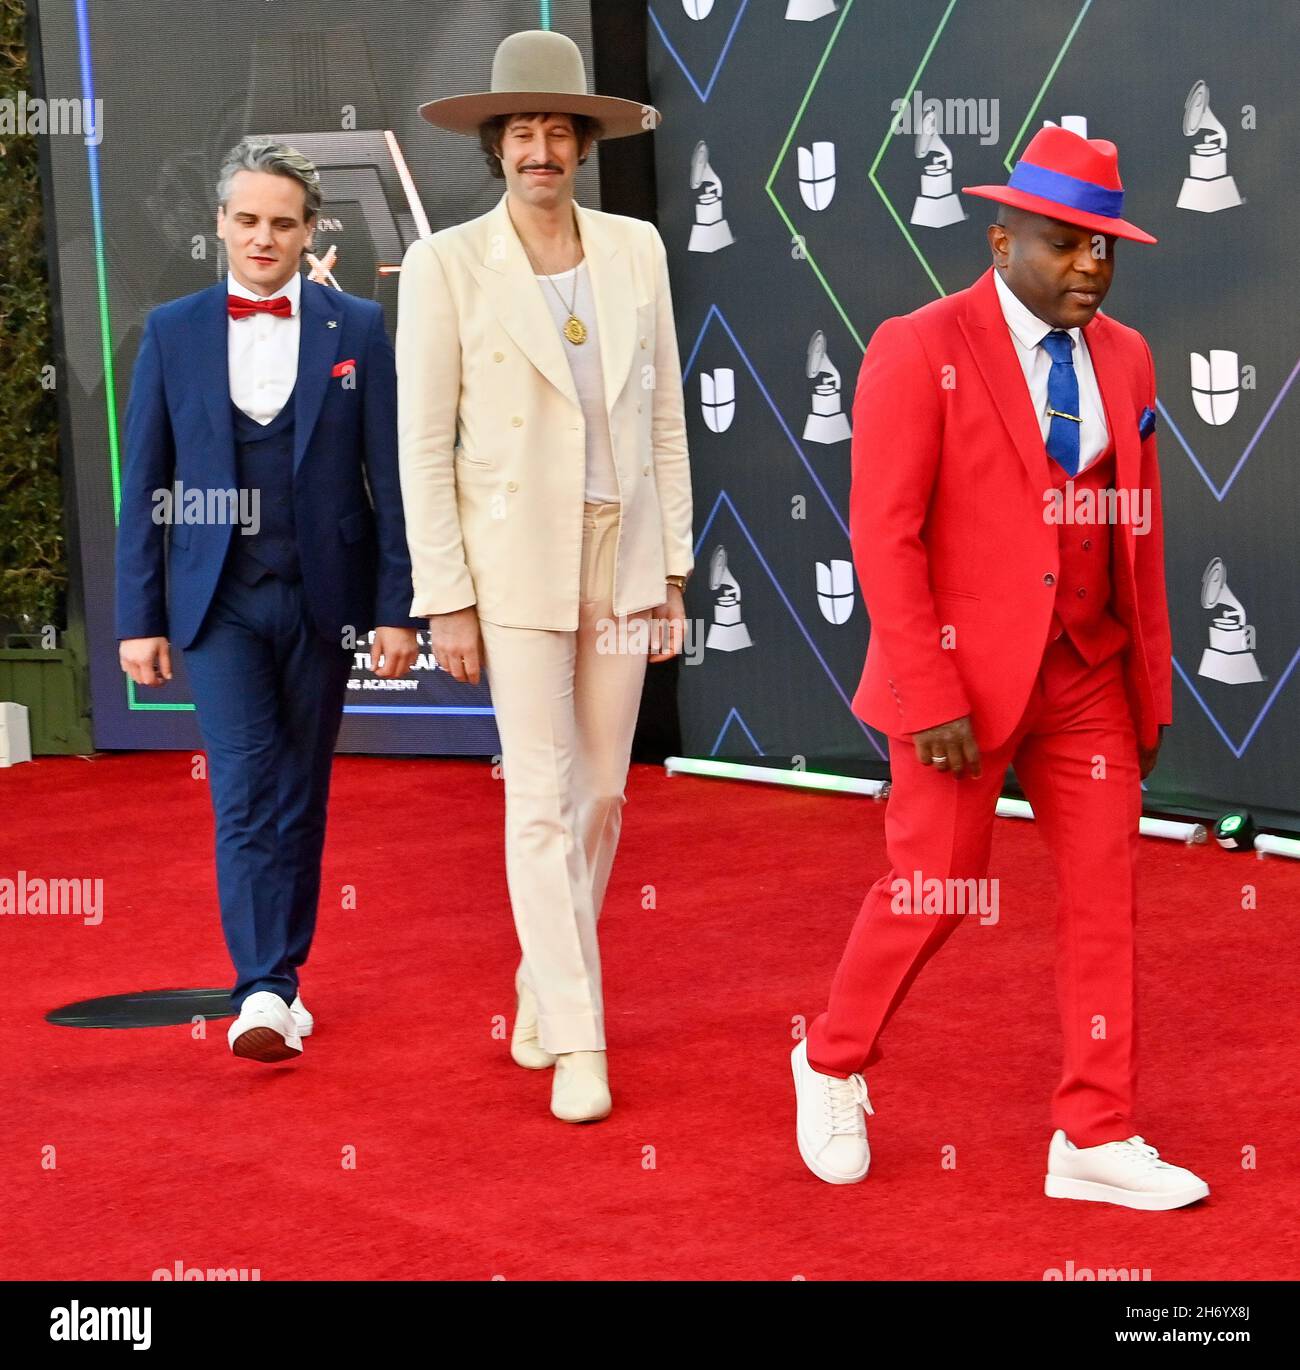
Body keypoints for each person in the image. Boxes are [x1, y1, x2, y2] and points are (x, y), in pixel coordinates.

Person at [792, 126, 1209, 1210]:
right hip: (957, 683)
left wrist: (1148, 683)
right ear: (1000, 236)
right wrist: (926, 691)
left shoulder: (1127, 356)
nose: (1089, 267)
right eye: (1067, 243)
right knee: (932, 888)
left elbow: (1139, 532)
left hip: (1087, 674)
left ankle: (1093, 1131)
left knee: (1105, 895)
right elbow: (884, 533)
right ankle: (830, 1058)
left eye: (1104, 248)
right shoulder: (914, 343)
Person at [398, 30, 693, 1122]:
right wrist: (447, 597)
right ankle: (579, 1034)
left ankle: (539, 977)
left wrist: (669, 566)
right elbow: (424, 443)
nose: (540, 148)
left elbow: (662, 415)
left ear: (581, 145)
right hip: (512, 562)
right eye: (521, 130)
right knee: (538, 796)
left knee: (604, 793)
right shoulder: (445, 265)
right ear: (495, 147)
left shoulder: (637, 251)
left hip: (621, 555)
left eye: (558, 130)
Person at [116, 137, 422, 1063]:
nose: (263, 237)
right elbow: (146, 482)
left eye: (282, 223)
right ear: (220, 227)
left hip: (326, 596)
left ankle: (284, 977)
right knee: (245, 788)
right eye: (246, 220)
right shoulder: (171, 330)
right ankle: (260, 989)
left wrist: (397, 607)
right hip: (216, 603)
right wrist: (140, 618)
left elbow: (392, 479)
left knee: (302, 791)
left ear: (308, 231)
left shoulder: (359, 328)